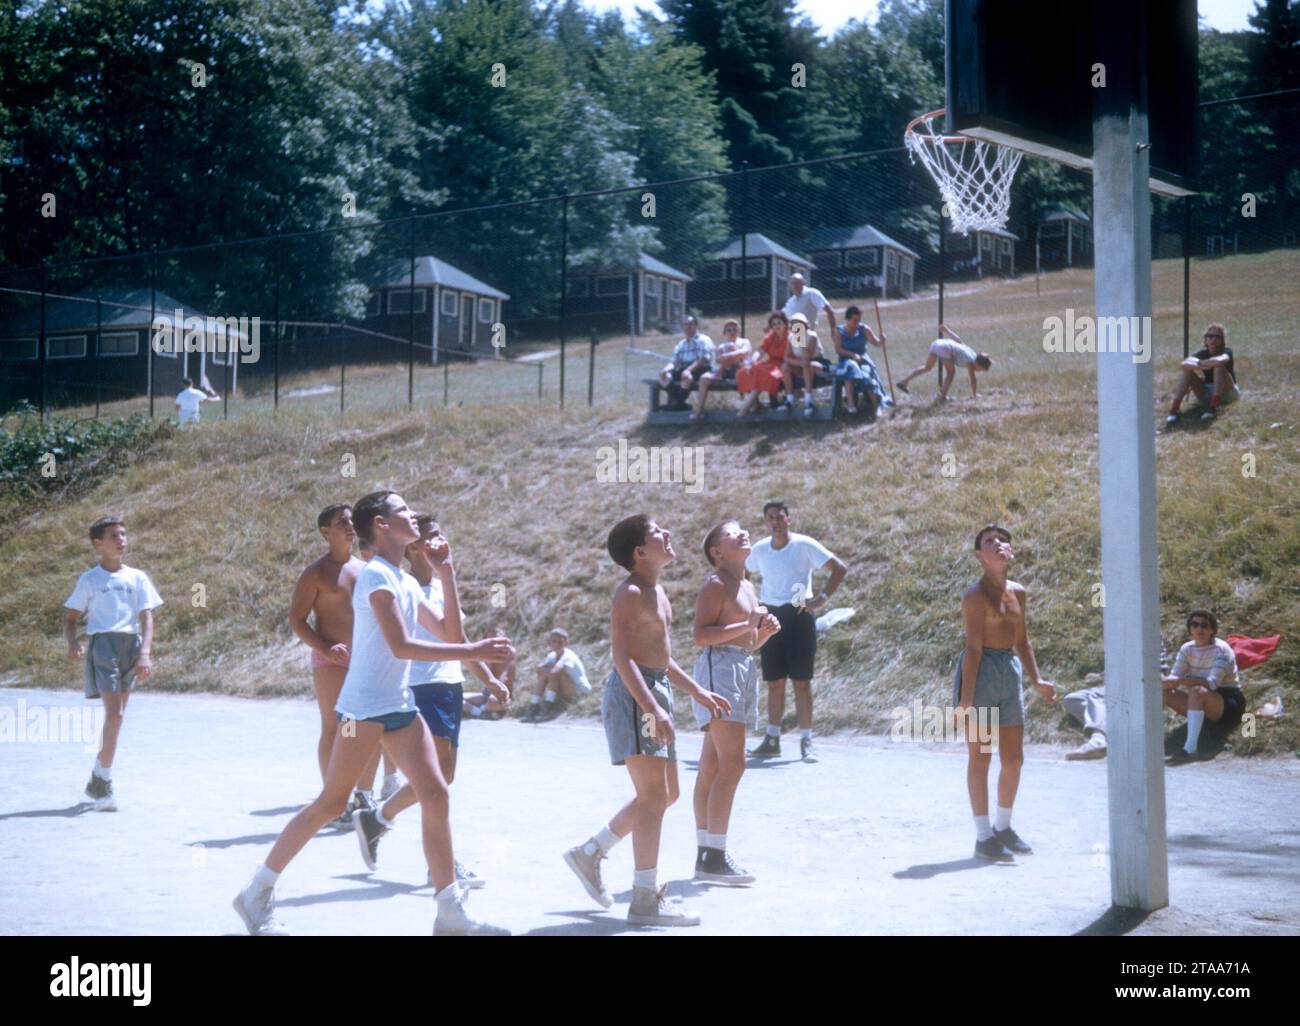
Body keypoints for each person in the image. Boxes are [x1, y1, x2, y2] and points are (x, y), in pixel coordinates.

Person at [233, 490, 515, 936]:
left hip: (399, 705)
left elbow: (448, 631)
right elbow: (402, 644)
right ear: (382, 525)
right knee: (330, 803)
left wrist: (447, 571)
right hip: (361, 709)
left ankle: (449, 914)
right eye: (403, 510)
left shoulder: (404, 580)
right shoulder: (376, 578)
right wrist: (472, 651)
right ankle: (255, 893)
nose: (413, 515)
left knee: (436, 793)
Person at [562, 514, 730, 927]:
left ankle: (591, 852)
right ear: (640, 552)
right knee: (654, 796)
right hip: (637, 698)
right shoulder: (631, 592)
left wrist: (696, 690)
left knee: (667, 792)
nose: (668, 535)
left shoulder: (657, 592)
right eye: (658, 534)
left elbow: (662, 656)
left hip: (655, 693)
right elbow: (623, 658)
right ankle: (644, 898)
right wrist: (652, 708)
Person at [352, 513, 510, 890]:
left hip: (449, 686)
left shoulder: (440, 586)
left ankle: (379, 818)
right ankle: (441, 864)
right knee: (435, 783)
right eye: (433, 535)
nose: (442, 539)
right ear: (415, 545)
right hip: (420, 687)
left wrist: (488, 679)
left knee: (444, 777)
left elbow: (460, 641)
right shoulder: (401, 584)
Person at [954, 525, 1056, 861]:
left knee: (1013, 759)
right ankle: (983, 836)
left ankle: (1003, 826)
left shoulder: (1019, 592)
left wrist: (1037, 680)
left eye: (1003, 540)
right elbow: (972, 649)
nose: (998, 544)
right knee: (980, 756)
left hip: (1008, 673)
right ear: (979, 556)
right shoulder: (974, 595)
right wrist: (966, 702)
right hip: (980, 673)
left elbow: (1022, 641)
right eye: (989, 541)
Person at [691, 520, 780, 885]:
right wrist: (747, 627)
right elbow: (701, 635)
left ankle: (706, 854)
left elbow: (745, 642)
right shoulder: (715, 584)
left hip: (741, 667)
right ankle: (714, 856)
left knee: (712, 767)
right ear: (717, 551)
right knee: (733, 764)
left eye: (743, 529)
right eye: (733, 533)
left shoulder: (746, 584)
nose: (743, 533)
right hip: (720, 671)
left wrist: (762, 635)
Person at [287, 503, 382, 827]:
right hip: (331, 659)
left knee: (371, 726)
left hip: (368, 658)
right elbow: (297, 619)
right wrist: (325, 648)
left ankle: (364, 796)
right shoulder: (316, 572)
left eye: (352, 521)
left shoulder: (367, 568)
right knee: (336, 726)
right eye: (342, 522)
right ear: (325, 532)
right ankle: (333, 800)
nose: (350, 526)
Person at [63, 515, 163, 812]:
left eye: (123, 534)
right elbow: (71, 618)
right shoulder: (90, 579)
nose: (122, 540)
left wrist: (144, 653)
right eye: (114, 536)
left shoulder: (137, 577)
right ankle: (103, 780)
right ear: (98, 543)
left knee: (117, 718)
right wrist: (72, 643)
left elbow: (147, 618)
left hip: (130, 645)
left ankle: (98, 776)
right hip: (103, 646)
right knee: (115, 715)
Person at [746, 501, 847, 763]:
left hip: (799, 615)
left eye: (780, 517)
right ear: (765, 522)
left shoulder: (803, 545)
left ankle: (806, 740)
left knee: (802, 682)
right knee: (774, 681)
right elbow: (744, 571)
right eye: (770, 518)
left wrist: (821, 599)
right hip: (770, 617)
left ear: (788, 519)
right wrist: (752, 603)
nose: (776, 522)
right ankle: (772, 739)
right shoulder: (759, 549)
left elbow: (839, 567)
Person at [1162, 610, 1244, 764]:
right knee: (1165, 692)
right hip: (1202, 699)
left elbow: (1212, 683)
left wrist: (1180, 681)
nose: (1200, 629)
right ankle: (1151, 739)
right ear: (1189, 629)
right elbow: (1175, 676)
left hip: (1228, 701)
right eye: (1195, 625)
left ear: (1213, 630)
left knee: (1196, 691)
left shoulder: (1222, 649)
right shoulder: (1187, 648)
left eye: (1205, 625)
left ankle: (1190, 748)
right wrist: (1166, 681)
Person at [1164, 323, 1238, 429]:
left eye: (1217, 337)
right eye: (1210, 336)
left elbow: (1220, 360)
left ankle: (1213, 408)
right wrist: (1203, 364)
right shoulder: (1201, 353)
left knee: (1219, 367)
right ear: (1205, 339)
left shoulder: (1226, 351)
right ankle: (1174, 410)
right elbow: (1184, 364)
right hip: (1207, 392)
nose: (1213, 339)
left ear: (1222, 340)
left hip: (1227, 392)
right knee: (1187, 371)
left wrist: (1199, 363)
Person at [895, 324, 991, 401]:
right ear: (978, 365)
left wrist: (947, 330)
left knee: (927, 368)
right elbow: (973, 379)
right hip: (945, 348)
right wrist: (974, 395)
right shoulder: (971, 363)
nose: (978, 371)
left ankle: (904, 382)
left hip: (937, 344)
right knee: (951, 373)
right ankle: (942, 397)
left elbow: (958, 340)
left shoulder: (972, 353)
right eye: (981, 370)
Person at [523, 627, 592, 722]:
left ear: (566, 643)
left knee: (555, 674)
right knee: (544, 676)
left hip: (580, 691)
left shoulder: (568, 656)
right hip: (566, 689)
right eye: (554, 641)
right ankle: (534, 706)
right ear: (549, 643)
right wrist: (544, 670)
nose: (556, 644)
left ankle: (548, 708)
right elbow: (539, 669)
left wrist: (545, 670)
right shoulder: (552, 655)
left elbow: (554, 671)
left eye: (560, 642)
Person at [832, 305, 890, 417]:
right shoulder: (839, 331)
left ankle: (875, 405)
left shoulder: (864, 329)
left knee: (866, 377)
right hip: (846, 360)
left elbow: (876, 343)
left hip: (863, 359)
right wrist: (852, 355)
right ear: (847, 319)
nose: (857, 323)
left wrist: (881, 340)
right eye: (855, 320)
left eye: (859, 320)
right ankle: (851, 404)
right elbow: (838, 350)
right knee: (850, 368)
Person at [693, 319, 752, 421]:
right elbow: (717, 359)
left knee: (731, 347)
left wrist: (727, 355)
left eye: (734, 329)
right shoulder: (721, 346)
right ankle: (699, 410)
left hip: (742, 369)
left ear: (738, 331)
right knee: (703, 378)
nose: (732, 332)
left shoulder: (744, 342)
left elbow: (743, 353)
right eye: (729, 330)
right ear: (725, 333)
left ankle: (749, 404)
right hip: (727, 370)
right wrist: (728, 357)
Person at [736, 312, 790, 417]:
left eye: (779, 323)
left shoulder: (791, 336)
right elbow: (760, 351)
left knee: (763, 375)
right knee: (744, 372)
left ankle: (744, 409)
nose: (776, 326)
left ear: (785, 324)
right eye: (774, 324)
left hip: (784, 365)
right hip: (770, 363)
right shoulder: (770, 336)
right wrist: (752, 362)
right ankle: (755, 404)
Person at [657, 315, 714, 411]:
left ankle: (675, 406)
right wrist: (665, 370)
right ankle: (680, 405)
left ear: (696, 326)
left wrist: (688, 370)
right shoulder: (681, 344)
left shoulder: (704, 340)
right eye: (685, 325)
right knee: (664, 378)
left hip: (700, 369)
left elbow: (704, 359)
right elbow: (674, 361)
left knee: (687, 378)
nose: (688, 327)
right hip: (683, 368)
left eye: (690, 324)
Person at [464, 623, 515, 721]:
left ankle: (477, 711)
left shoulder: (510, 652)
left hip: (502, 692)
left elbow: (506, 676)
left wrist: (499, 689)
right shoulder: (487, 654)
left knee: (494, 701)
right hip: (486, 693)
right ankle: (480, 713)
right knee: (457, 698)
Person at [780, 313, 827, 415]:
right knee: (785, 366)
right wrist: (798, 362)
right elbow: (786, 357)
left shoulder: (812, 336)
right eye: (793, 324)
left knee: (807, 365)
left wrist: (801, 341)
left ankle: (808, 399)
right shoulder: (791, 337)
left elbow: (807, 356)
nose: (796, 327)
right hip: (800, 364)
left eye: (798, 324)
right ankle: (789, 399)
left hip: (816, 363)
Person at [781, 272, 836, 339]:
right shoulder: (791, 301)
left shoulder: (812, 293)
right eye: (793, 283)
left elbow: (829, 310)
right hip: (795, 336)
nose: (794, 286)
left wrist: (833, 329)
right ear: (790, 285)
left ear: (803, 283)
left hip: (808, 336)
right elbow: (781, 315)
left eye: (797, 283)